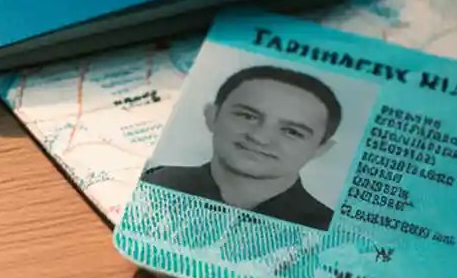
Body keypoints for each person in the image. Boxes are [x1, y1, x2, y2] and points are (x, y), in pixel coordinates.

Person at [142, 65, 341, 230]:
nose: (259, 137)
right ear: (212, 115)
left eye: (292, 132)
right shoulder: (154, 185)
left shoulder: (328, 230)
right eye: (247, 116)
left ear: (321, 149)